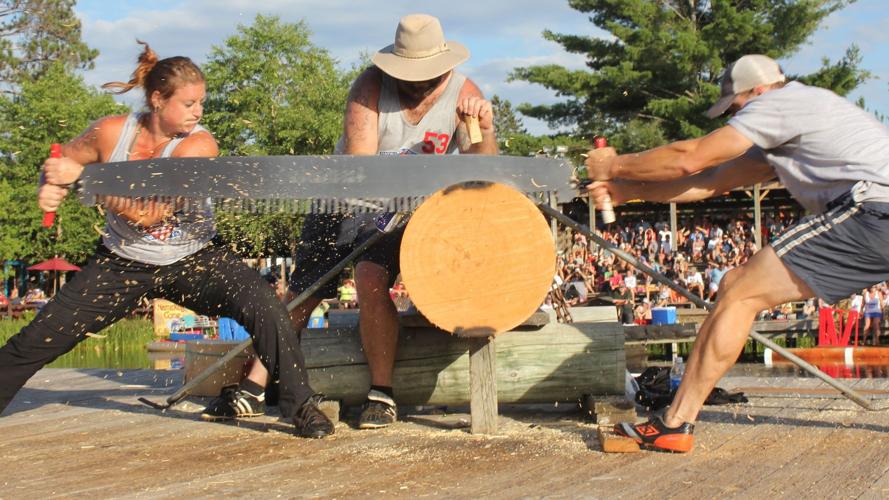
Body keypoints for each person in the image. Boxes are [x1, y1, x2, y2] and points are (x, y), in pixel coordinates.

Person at [0, 42, 334, 438]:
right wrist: (50, 183)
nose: (199, 112)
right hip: (121, 261)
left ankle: (300, 406)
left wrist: (85, 182)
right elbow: (62, 159)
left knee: (266, 307)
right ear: (158, 100)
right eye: (189, 103)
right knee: (39, 337)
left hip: (193, 259)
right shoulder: (111, 131)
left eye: (201, 102)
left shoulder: (199, 145)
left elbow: (150, 214)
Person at [203, 14, 497, 430]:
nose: (418, 83)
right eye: (410, 75)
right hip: (345, 196)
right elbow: (361, 167)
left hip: (412, 210)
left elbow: (483, 170)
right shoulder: (370, 87)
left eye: (427, 75)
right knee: (304, 289)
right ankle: (254, 386)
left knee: (370, 277)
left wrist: (483, 128)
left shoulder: (465, 94)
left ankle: (382, 393)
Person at [585, 54, 889, 453]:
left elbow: (690, 158)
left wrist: (615, 165)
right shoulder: (796, 123)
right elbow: (712, 180)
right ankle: (676, 422)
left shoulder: (779, 103)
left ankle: (675, 424)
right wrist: (628, 191)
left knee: (740, 290)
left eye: (735, 108)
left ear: (757, 91)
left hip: (873, 209)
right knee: (737, 287)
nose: (734, 117)